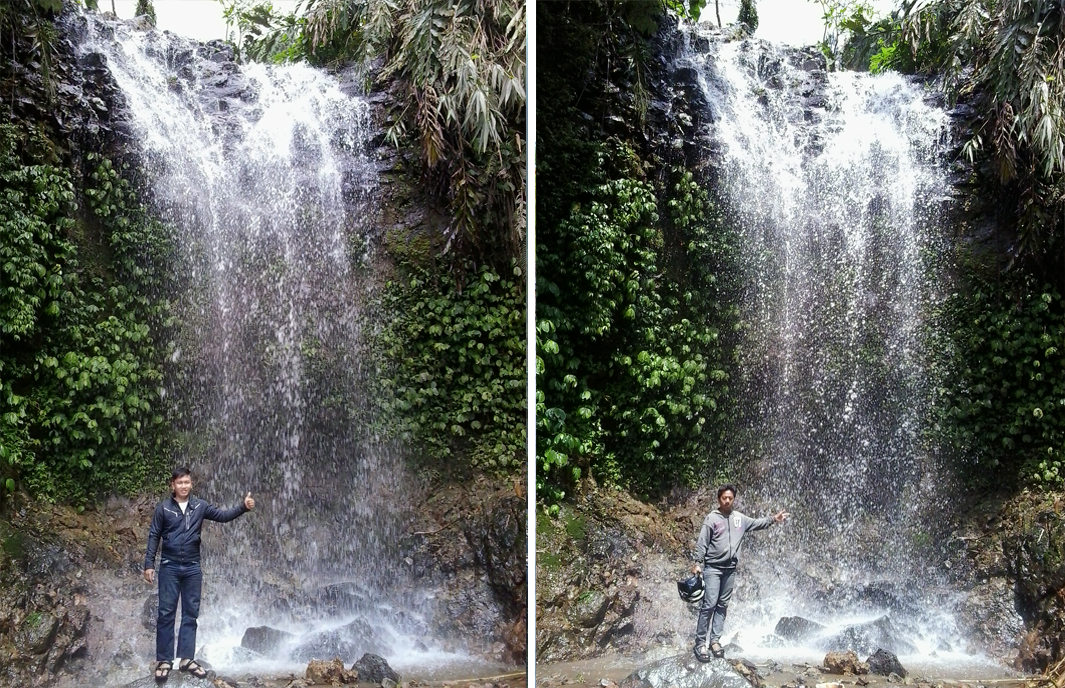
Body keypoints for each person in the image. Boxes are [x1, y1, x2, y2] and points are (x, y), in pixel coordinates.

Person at [143, 467, 255, 682]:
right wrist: (149, 564)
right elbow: (154, 535)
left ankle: (186, 658)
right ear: (172, 485)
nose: (183, 486)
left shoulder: (199, 506)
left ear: (191, 484)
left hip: (192, 567)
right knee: (166, 612)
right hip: (169, 566)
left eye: (187, 482)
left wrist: (243, 507)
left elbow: (223, 516)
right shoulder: (163, 509)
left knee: (191, 613)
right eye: (179, 482)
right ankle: (164, 660)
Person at [691, 483, 788, 662]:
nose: (727, 501)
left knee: (722, 605)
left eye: (730, 498)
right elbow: (702, 541)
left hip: (730, 570)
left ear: (734, 499)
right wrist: (697, 562)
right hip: (713, 568)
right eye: (724, 498)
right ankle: (700, 643)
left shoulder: (740, 519)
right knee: (709, 604)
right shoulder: (712, 518)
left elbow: (757, 523)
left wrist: (774, 519)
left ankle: (715, 641)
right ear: (719, 499)